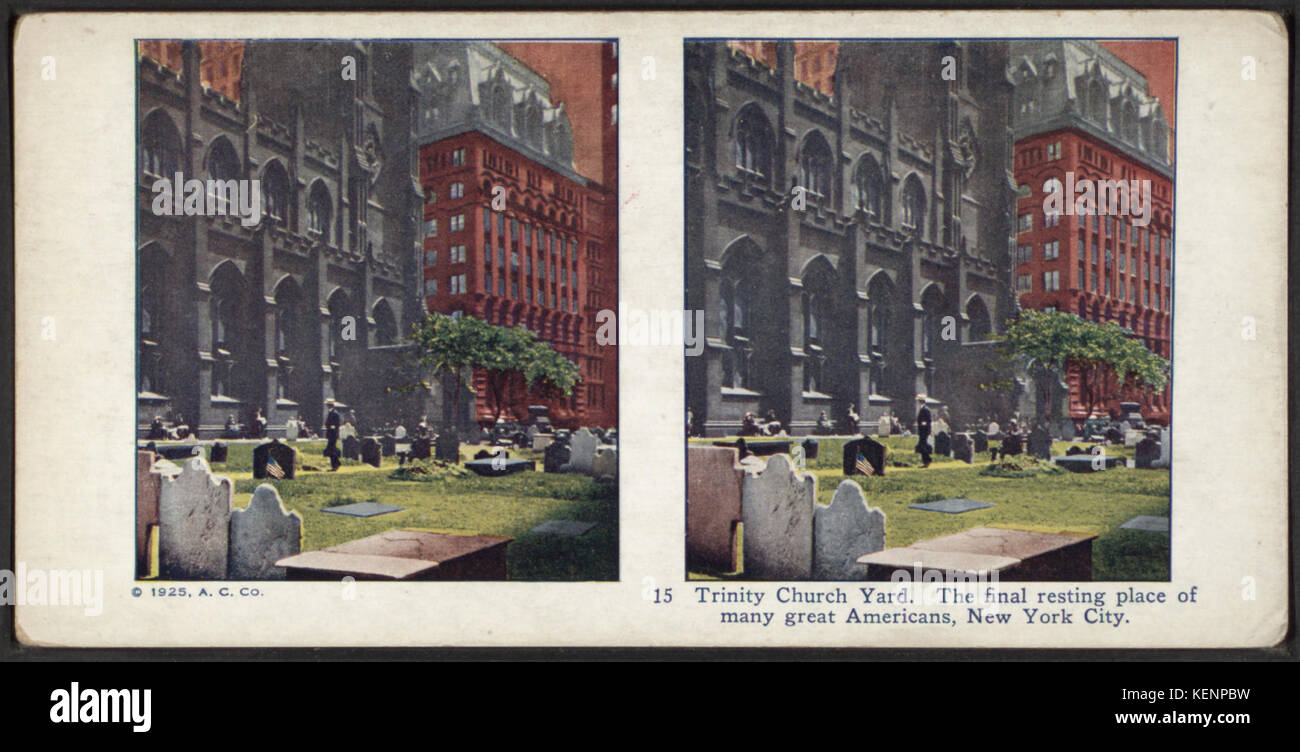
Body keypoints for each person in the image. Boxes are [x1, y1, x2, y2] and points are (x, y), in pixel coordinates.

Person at [915, 395, 933, 468]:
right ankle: (927, 460)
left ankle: (927, 460)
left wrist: (923, 426)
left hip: (924, 431)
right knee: (923, 445)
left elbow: (927, 421)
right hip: (923, 430)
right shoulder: (923, 409)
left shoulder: (925, 409)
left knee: (923, 445)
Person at [324, 399, 342, 471]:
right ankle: (336, 464)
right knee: (331, 449)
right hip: (331, 434)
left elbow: (336, 424)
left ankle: (335, 465)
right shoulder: (331, 412)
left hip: (333, 434)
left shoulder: (335, 413)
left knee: (331, 449)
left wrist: (331, 427)